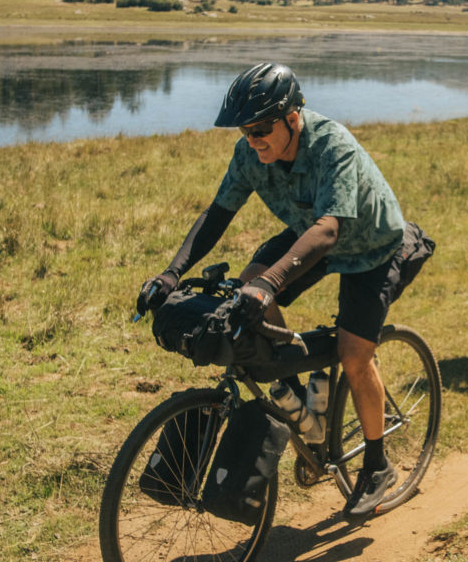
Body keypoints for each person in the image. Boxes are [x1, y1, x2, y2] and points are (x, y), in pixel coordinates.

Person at [135, 62, 434, 517]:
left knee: (354, 354)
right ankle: (296, 399)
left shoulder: (332, 145)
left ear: (292, 117)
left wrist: (270, 285)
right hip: (308, 231)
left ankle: (376, 466)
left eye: (260, 130)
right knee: (247, 288)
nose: (253, 141)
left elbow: (330, 228)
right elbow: (218, 214)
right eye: (245, 131)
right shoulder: (249, 152)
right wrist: (171, 273)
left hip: (370, 245)